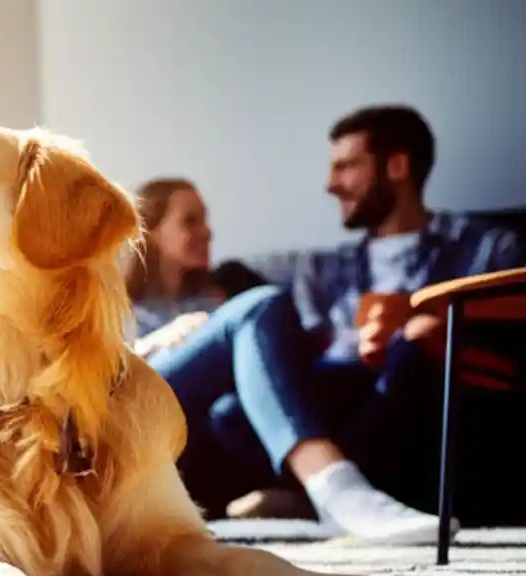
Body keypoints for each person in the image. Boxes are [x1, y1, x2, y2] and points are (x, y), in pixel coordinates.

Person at [143, 104, 523, 544]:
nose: (330, 184)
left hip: (417, 382)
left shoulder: (485, 247)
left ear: (397, 166)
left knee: (411, 347)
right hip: (337, 388)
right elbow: (273, 335)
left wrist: (425, 317)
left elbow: (512, 323)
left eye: (345, 167)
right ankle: (335, 493)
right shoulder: (325, 269)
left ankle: (323, 495)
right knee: (230, 412)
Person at [123, 178, 266, 361]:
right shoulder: (122, 311)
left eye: (204, 220)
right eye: (190, 221)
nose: (207, 232)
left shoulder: (217, 292)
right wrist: (160, 340)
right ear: (150, 233)